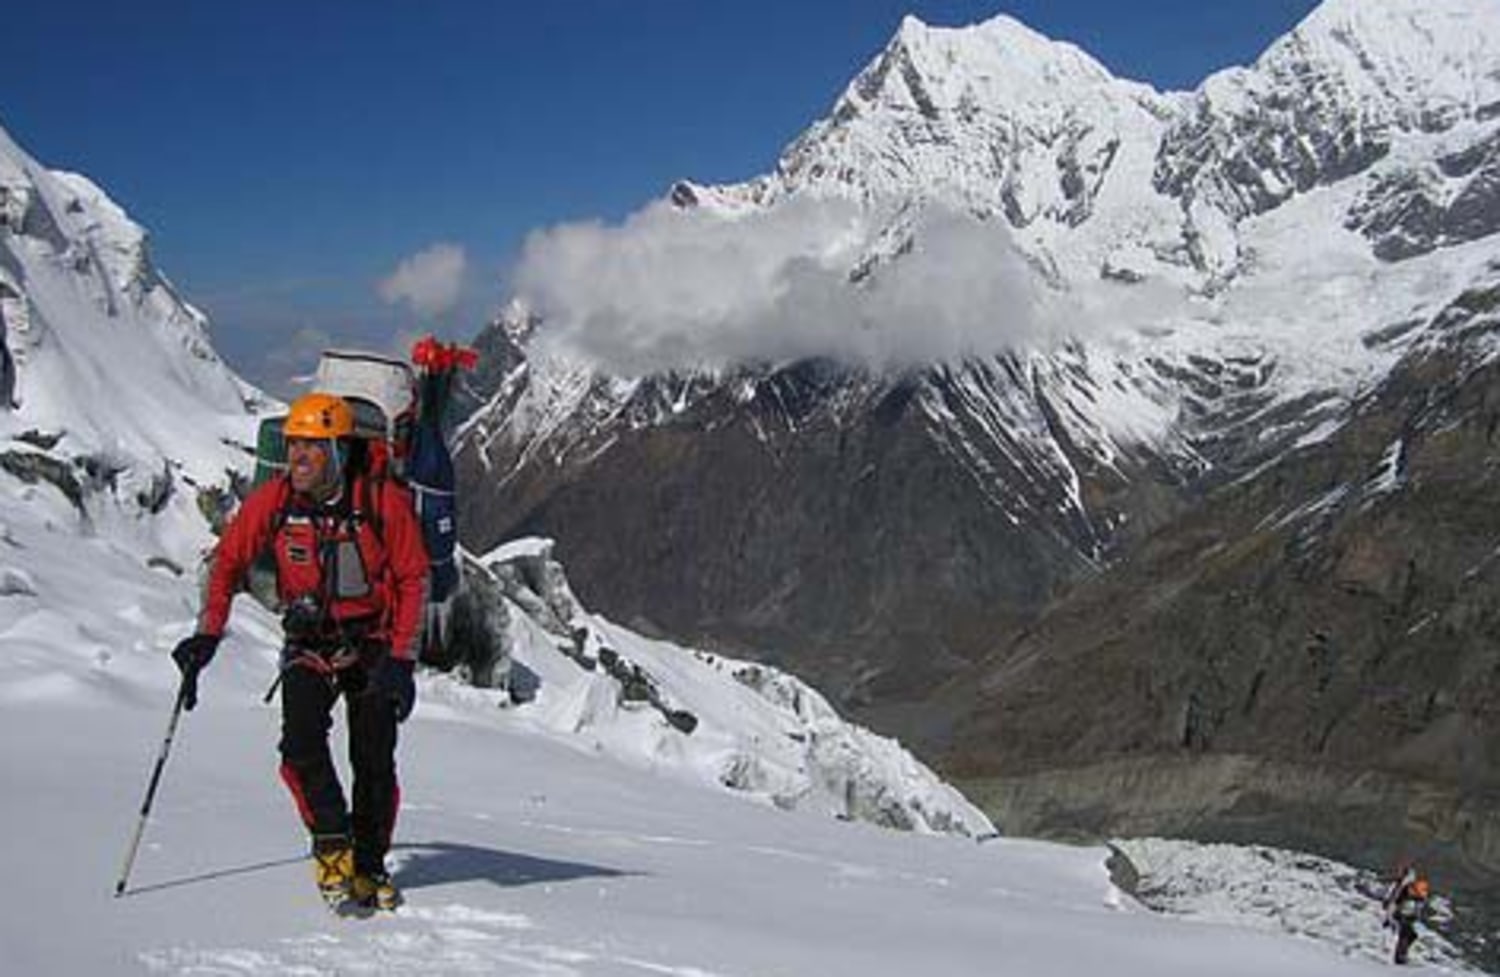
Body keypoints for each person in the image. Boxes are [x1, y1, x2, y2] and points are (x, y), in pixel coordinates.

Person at [170, 392, 429, 912]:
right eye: (293, 448)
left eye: (311, 449)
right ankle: (334, 845)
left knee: (373, 759)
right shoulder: (277, 500)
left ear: (337, 450)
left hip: (373, 640)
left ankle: (369, 865)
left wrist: (402, 658)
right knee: (300, 748)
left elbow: (413, 576)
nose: (298, 460)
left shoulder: (380, 499)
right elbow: (227, 562)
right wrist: (207, 634)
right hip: (309, 640)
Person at [1382, 862, 1431, 965]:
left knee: (1409, 934)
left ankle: (1401, 956)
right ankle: (1400, 958)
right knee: (1407, 934)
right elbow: (1395, 900)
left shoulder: (1400, 885)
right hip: (1400, 913)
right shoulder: (1402, 885)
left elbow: (1391, 899)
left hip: (1400, 912)